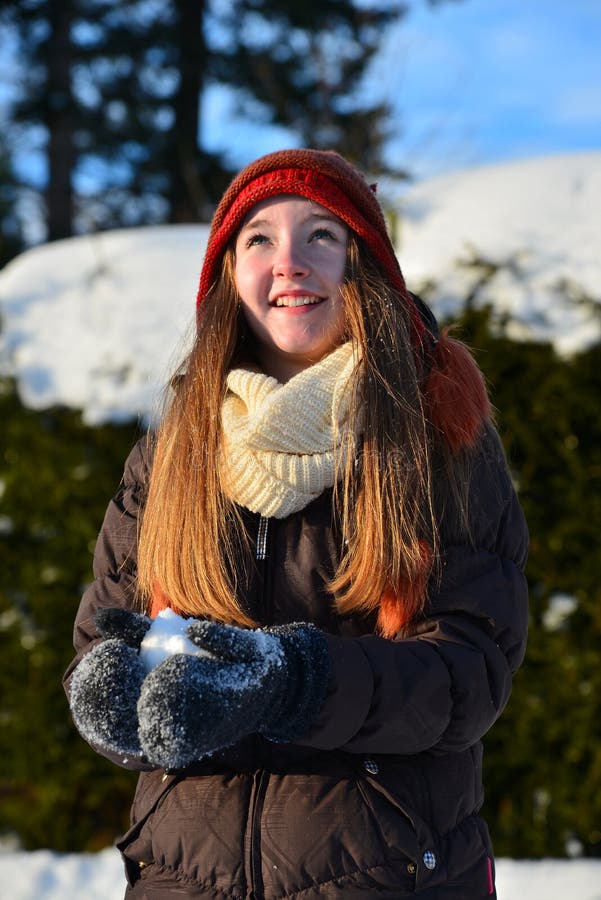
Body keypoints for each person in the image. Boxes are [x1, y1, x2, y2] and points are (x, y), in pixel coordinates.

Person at [64, 148, 528, 899]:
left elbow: (466, 675)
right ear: (225, 278)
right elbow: (103, 632)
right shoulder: (170, 453)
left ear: (363, 266)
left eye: (321, 235)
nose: (289, 263)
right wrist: (110, 693)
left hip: (387, 877)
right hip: (183, 880)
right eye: (258, 239)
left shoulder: (436, 439)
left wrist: (293, 684)